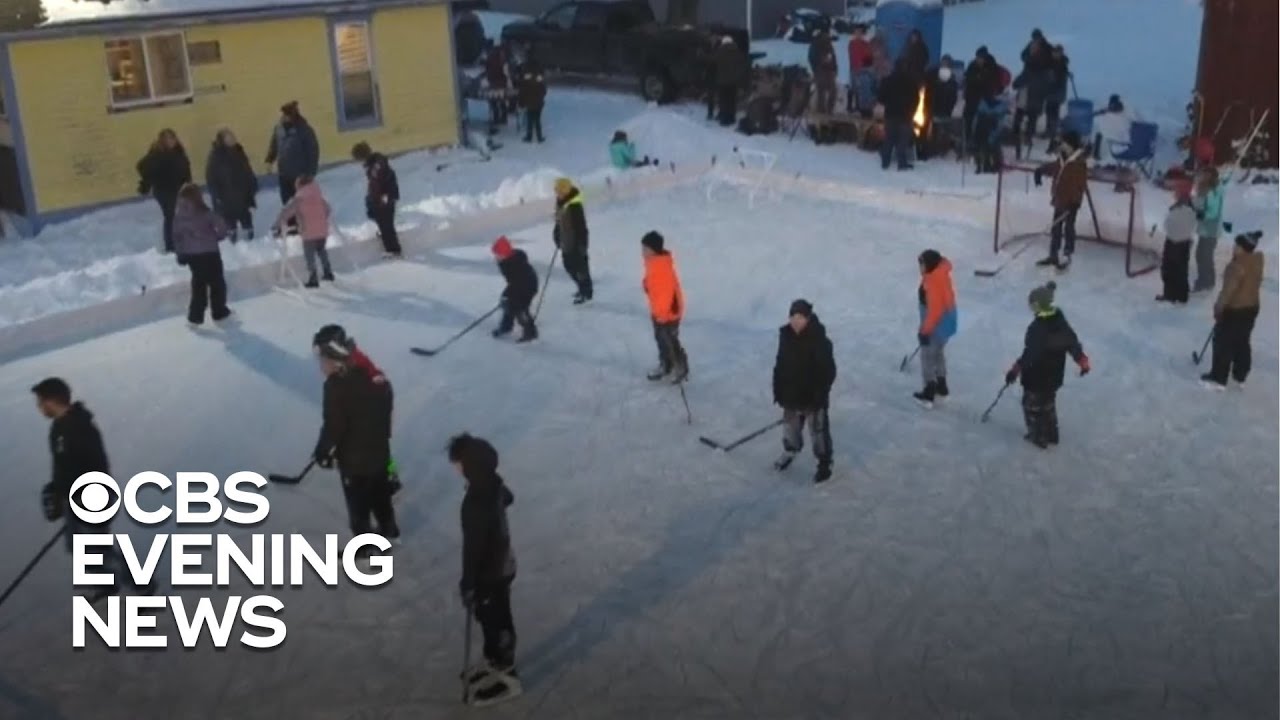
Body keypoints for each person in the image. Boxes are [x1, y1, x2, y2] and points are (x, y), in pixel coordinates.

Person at [32, 378, 151, 603]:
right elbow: (63, 465)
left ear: (51, 401)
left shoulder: (79, 427)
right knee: (76, 546)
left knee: (98, 548)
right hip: (73, 497)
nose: (38, 407)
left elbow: (92, 465)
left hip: (91, 496)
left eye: (40, 402)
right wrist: (56, 489)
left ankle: (143, 586)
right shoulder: (59, 426)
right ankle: (106, 584)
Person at [312, 325, 399, 560]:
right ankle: (388, 527)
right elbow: (386, 396)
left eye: (322, 357)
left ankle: (365, 546)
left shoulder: (335, 387)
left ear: (335, 358)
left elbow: (334, 426)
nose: (320, 363)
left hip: (355, 461)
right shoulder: (368, 369)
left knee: (358, 505)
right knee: (381, 495)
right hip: (381, 451)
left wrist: (323, 450)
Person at [450, 433, 521, 707]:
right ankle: (493, 660)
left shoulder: (474, 505)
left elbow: (473, 549)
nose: (455, 468)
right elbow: (508, 497)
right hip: (502, 563)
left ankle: (508, 677)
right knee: (488, 614)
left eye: (458, 463)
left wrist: (468, 583)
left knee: (496, 620)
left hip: (491, 571)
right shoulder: (493, 484)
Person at [313, 324, 402, 495]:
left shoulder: (355, 363)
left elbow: (379, 384)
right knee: (378, 447)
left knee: (382, 449)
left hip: (375, 414)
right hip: (366, 411)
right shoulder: (346, 358)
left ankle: (391, 475)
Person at [1004, 281, 1091, 449]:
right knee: (1048, 404)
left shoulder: (1038, 329)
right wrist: (1082, 361)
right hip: (1054, 376)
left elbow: (1029, 355)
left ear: (1037, 307)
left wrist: (1014, 371)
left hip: (1036, 377)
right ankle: (1052, 434)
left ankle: (1038, 436)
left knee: (1032, 407)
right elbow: (1072, 343)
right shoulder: (1060, 321)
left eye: (1032, 306)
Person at [772, 299, 837, 483]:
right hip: (791, 394)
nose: (795, 321)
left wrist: (819, 395)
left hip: (813, 397)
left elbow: (828, 372)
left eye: (800, 317)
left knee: (818, 431)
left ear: (808, 318)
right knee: (790, 426)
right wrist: (778, 389)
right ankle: (791, 450)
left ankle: (824, 462)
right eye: (793, 317)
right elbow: (780, 364)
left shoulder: (820, 340)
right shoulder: (786, 337)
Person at [1202, 231, 1264, 390]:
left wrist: (1219, 308)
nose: (1234, 247)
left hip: (1235, 309)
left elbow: (1228, 291)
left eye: (1237, 245)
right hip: (1252, 308)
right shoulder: (1257, 261)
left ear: (1243, 248)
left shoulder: (1236, 266)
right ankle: (1240, 374)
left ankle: (1218, 378)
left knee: (1223, 342)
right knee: (1242, 340)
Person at [172, 183, 232, 325]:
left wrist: (180, 252)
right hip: (210, 252)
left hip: (192, 255)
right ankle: (219, 311)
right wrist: (218, 236)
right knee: (216, 282)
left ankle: (195, 315)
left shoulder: (179, 215)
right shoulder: (204, 211)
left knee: (198, 283)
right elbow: (221, 225)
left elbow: (176, 236)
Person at [1033, 130, 1088, 269]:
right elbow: (1054, 167)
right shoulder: (1063, 158)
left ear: (1071, 145)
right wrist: (1040, 170)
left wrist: (1075, 202)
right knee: (1056, 227)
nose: (1062, 145)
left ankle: (1067, 254)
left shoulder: (1079, 162)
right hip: (1060, 199)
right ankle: (1053, 254)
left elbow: (1080, 184)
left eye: (1064, 143)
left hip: (1071, 202)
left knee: (1069, 227)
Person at [641, 231, 688, 384]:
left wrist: (662, 313)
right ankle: (666, 364)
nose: (642, 252)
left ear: (653, 250)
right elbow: (653, 284)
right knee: (661, 340)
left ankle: (680, 367)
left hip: (669, 314)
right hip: (658, 312)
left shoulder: (662, 266)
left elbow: (666, 293)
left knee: (670, 341)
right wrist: (646, 284)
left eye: (645, 249)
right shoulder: (652, 263)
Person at [265, 101, 320, 229]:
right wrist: (269, 160)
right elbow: (274, 146)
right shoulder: (278, 129)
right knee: (288, 202)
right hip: (284, 174)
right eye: (285, 114)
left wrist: (311, 173)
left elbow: (313, 152)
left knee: (302, 202)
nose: (286, 117)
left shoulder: (305, 130)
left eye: (289, 114)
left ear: (295, 115)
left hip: (300, 175)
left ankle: (307, 226)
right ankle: (292, 226)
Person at [914, 250, 958, 407]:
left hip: (936, 324)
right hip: (946, 323)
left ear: (930, 265)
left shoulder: (933, 281)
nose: (920, 267)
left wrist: (925, 331)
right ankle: (941, 385)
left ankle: (929, 392)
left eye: (922, 264)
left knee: (927, 356)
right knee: (938, 353)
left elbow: (935, 311)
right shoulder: (940, 274)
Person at [136, 129, 192, 253]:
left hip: (180, 188)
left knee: (182, 215)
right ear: (162, 141)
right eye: (168, 139)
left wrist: (188, 184)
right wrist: (150, 180)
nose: (171, 141)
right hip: (164, 190)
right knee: (171, 216)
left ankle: (183, 240)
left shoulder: (179, 152)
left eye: (172, 138)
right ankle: (171, 245)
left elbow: (186, 169)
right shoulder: (158, 154)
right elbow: (142, 166)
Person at [274, 175, 334, 288]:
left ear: (299, 185)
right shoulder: (318, 196)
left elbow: (286, 212)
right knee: (322, 251)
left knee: (309, 256)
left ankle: (313, 278)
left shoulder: (299, 198)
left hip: (308, 231)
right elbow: (328, 209)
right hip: (322, 230)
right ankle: (328, 272)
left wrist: (276, 225)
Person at [205, 128, 258, 242]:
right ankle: (232, 241)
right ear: (222, 140)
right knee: (229, 220)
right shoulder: (216, 156)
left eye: (233, 136)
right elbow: (211, 178)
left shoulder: (238, 151)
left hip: (242, 193)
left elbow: (247, 169)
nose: (233, 138)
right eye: (229, 137)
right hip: (226, 195)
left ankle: (249, 236)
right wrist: (216, 195)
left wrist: (253, 184)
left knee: (245, 216)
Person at [351, 142, 402, 258]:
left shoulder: (376, 166)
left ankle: (394, 250)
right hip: (383, 197)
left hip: (385, 197)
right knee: (382, 221)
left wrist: (379, 199)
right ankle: (387, 240)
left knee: (386, 224)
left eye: (358, 159)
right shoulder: (374, 164)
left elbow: (378, 185)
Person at [490, 236, 538, 343]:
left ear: (505, 253)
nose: (496, 257)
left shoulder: (513, 264)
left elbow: (518, 283)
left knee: (520, 308)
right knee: (508, 303)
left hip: (528, 286)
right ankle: (506, 326)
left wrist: (509, 296)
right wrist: (507, 296)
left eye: (498, 254)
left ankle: (530, 332)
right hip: (519, 284)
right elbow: (513, 283)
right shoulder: (507, 261)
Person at [553, 178, 592, 304]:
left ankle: (586, 292)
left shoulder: (574, 205)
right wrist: (556, 235)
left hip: (576, 243)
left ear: (565, 190)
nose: (557, 193)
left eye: (559, 190)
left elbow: (581, 226)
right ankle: (581, 287)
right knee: (569, 267)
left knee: (581, 269)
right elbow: (558, 223)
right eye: (556, 191)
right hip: (566, 243)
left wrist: (582, 244)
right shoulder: (560, 203)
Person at [1157, 183, 1196, 304]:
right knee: (1181, 269)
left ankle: (1170, 295)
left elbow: (1167, 225)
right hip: (1185, 242)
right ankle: (1182, 294)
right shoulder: (1192, 209)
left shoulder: (1177, 210)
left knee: (1169, 270)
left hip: (1174, 242)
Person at [876, 58, 917, 171]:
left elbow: (880, 98)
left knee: (889, 138)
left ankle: (885, 162)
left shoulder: (887, 80)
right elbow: (916, 100)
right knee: (902, 141)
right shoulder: (911, 82)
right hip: (905, 116)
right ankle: (902, 163)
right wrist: (912, 111)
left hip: (890, 114)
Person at [1191, 166, 1226, 292]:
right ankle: (1207, 280)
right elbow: (1197, 203)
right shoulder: (1202, 189)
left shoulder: (1214, 191)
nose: (1201, 177)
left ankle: (1205, 281)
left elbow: (1214, 211)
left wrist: (1202, 214)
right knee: (1202, 255)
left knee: (1204, 255)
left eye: (1204, 175)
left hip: (1211, 229)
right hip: (1204, 228)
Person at [972, 84, 1008, 174]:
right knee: (989, 146)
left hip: (987, 128)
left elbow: (977, 118)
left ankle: (988, 165)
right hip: (986, 129)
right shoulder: (1000, 104)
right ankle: (987, 165)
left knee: (988, 146)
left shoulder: (984, 103)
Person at [714, 35, 747, 127]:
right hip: (734, 80)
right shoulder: (737, 51)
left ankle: (724, 119)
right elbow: (743, 63)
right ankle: (731, 118)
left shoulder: (720, 51)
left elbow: (713, 60)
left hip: (722, 80)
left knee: (724, 100)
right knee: (732, 100)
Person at [1043, 45, 1070, 148]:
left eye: (1056, 53)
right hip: (1051, 93)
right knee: (1049, 111)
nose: (1054, 54)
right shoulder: (1053, 63)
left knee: (1053, 111)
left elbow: (1058, 81)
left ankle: (1052, 132)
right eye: (1054, 53)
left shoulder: (1061, 65)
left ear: (1060, 53)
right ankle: (1049, 130)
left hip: (1056, 93)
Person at [808, 28, 838, 115]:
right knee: (823, 91)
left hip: (826, 71)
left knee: (828, 91)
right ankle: (824, 110)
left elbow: (833, 58)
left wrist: (834, 68)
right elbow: (812, 58)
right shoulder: (816, 44)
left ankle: (826, 110)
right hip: (821, 71)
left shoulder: (827, 45)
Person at [517, 60, 546, 143]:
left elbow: (522, 91)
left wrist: (521, 102)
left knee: (530, 120)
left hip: (529, 102)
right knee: (537, 120)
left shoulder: (526, 78)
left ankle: (529, 137)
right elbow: (544, 90)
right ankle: (539, 137)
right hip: (539, 102)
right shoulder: (539, 78)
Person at [484, 40, 510, 131]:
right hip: (502, 81)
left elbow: (488, 68)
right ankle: (503, 117)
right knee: (501, 100)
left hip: (495, 81)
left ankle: (496, 118)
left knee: (494, 101)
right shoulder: (502, 54)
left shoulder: (492, 56)